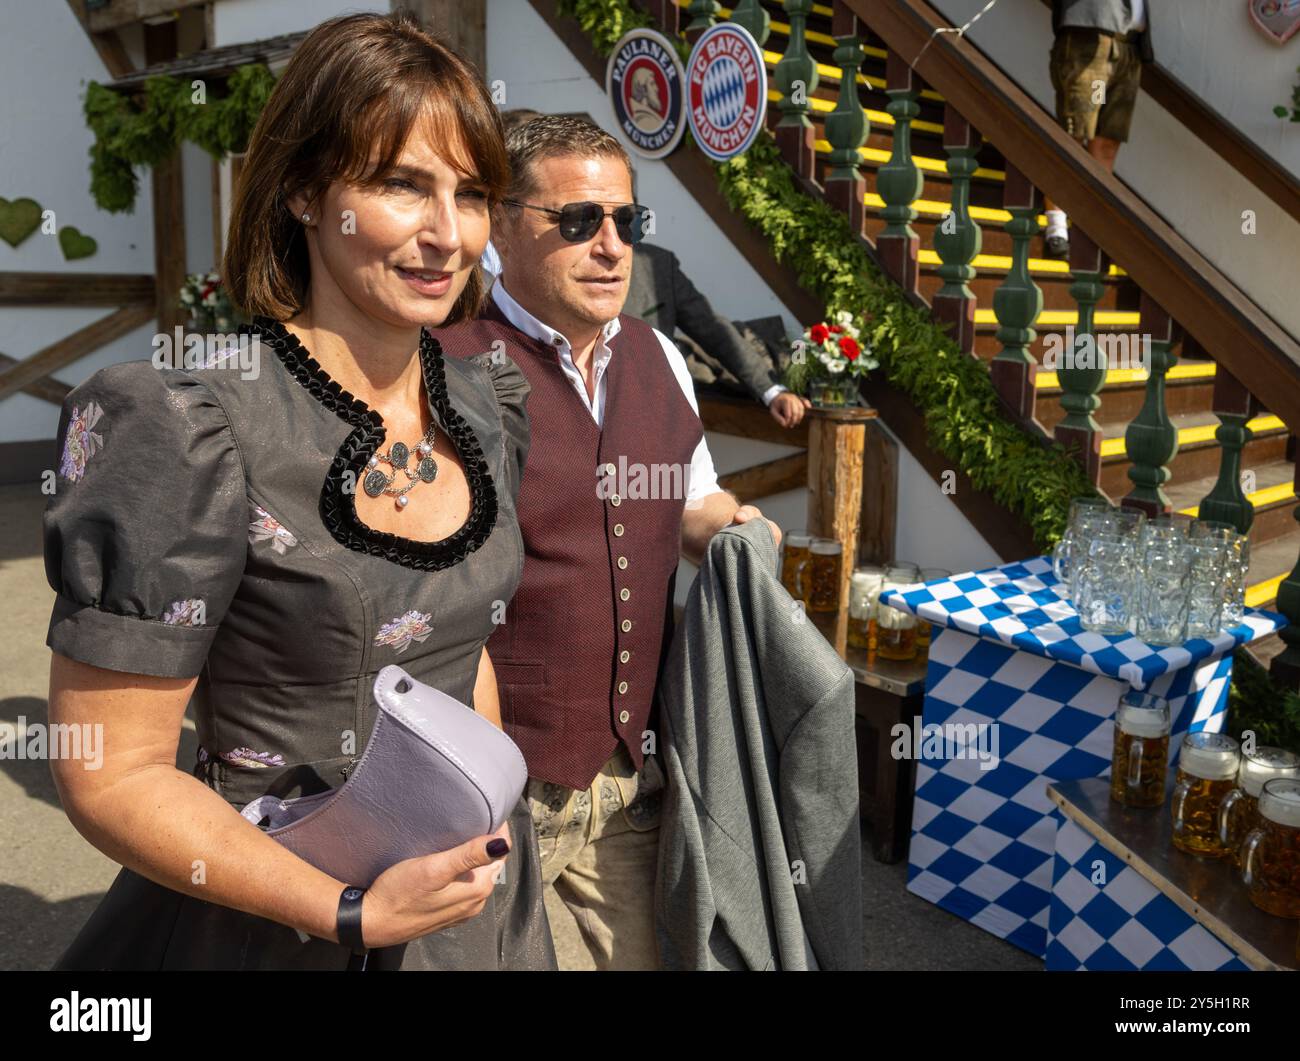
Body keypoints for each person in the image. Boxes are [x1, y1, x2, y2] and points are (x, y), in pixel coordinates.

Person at [42, 12, 554, 971]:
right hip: (272, 918)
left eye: (473, 193)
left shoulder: (487, 402)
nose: (448, 234)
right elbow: (109, 771)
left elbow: (463, 650)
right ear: (306, 193)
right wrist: (346, 908)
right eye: (404, 184)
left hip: (471, 908)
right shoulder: (187, 427)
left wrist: (477, 807)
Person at [436, 114, 780, 970]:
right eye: (580, 222)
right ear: (503, 228)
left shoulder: (658, 356)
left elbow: (688, 499)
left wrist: (735, 532)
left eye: (629, 222)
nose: (611, 247)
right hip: (494, 786)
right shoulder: (441, 366)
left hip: (627, 775)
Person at [626, 241, 810, 428]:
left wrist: (770, 390)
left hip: (650, 419)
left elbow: (713, 329)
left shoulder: (658, 263)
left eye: (625, 219)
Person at [1043, 0, 1152, 258]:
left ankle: (1092, 225)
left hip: (1129, 44)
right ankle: (1056, 226)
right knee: (1075, 130)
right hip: (1090, 37)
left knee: (1108, 140)